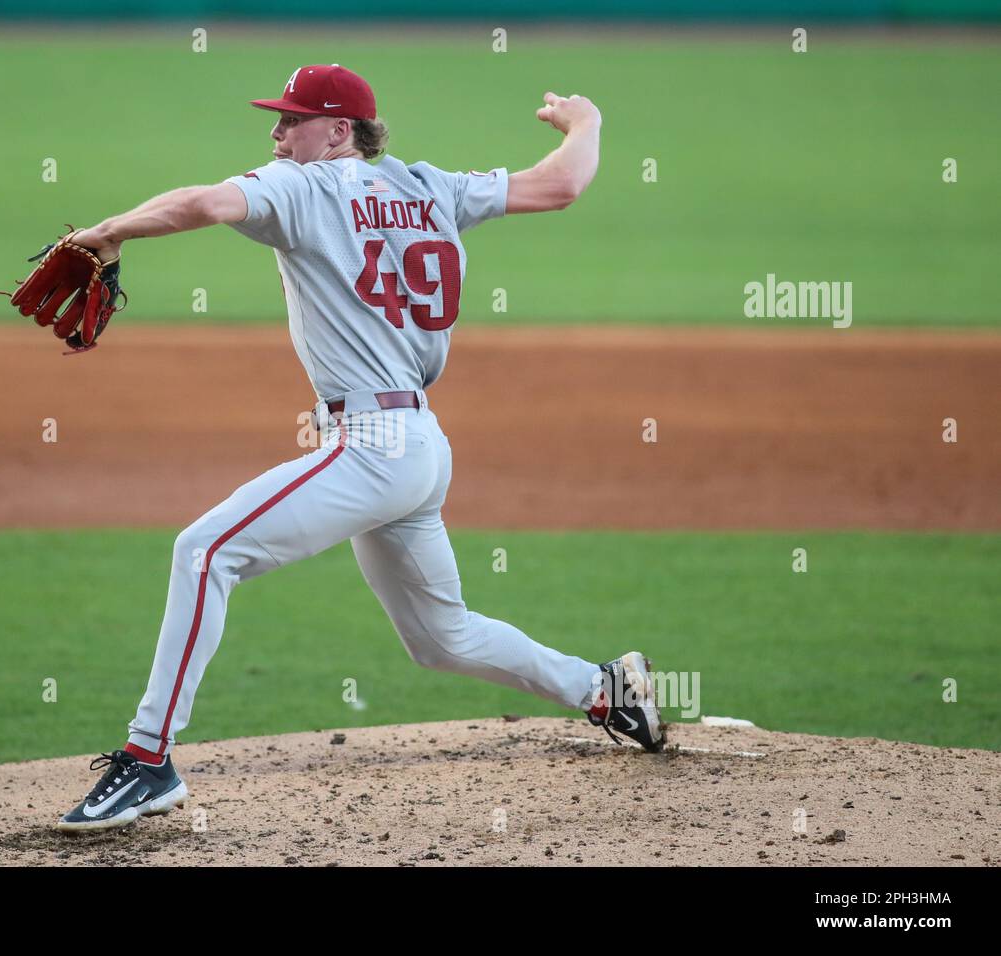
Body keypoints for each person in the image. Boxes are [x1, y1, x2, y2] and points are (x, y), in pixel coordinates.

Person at [56, 64, 664, 833]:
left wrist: (108, 231)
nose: (276, 134)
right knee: (442, 638)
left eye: (292, 120)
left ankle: (147, 761)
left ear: (338, 132)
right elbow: (558, 186)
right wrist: (587, 123)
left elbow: (204, 202)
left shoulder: (302, 187)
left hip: (372, 447)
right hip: (418, 448)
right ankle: (607, 688)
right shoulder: (428, 188)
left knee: (206, 552)